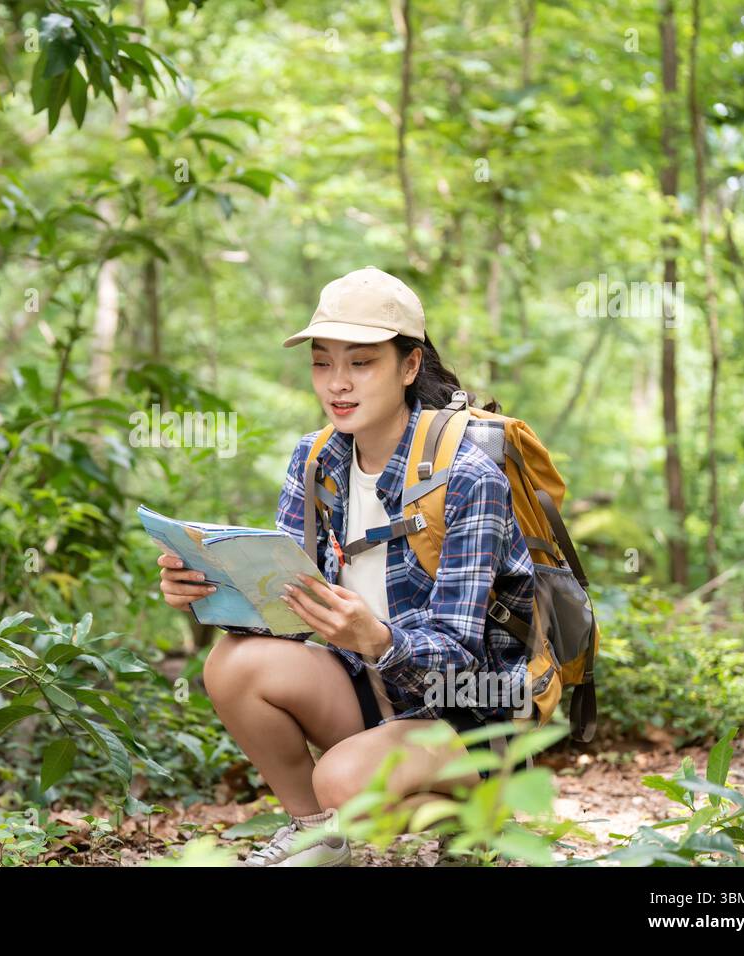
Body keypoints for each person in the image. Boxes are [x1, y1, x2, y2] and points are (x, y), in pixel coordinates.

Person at [156, 266, 536, 866]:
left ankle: (480, 813)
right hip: (369, 692)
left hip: (467, 717)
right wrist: (206, 588)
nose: (338, 384)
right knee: (232, 665)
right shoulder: (316, 460)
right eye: (322, 362)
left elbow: (460, 661)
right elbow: (281, 606)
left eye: (361, 363)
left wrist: (375, 637)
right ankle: (319, 837)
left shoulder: (467, 477)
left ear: (409, 367)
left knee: (341, 782)